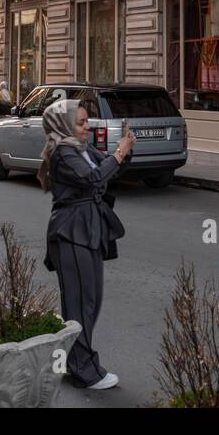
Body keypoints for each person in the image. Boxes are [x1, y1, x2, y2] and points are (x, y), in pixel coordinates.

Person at [40, 99, 134, 390]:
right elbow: (94, 178)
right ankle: (84, 370)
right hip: (72, 231)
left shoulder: (79, 148)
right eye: (80, 122)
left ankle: (74, 361)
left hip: (88, 228)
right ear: (65, 125)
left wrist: (124, 149)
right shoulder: (63, 153)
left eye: (86, 121)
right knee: (81, 303)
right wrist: (119, 154)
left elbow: (107, 168)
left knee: (90, 300)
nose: (86, 127)